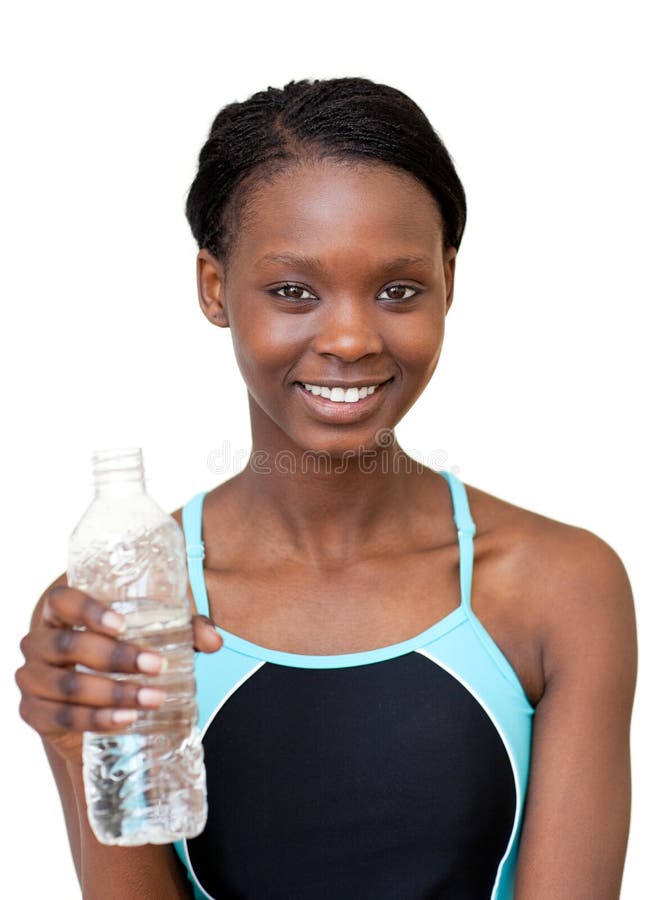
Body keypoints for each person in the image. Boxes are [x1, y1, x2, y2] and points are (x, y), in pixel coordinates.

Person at [16, 77, 637, 899]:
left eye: (397, 290)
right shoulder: (127, 609)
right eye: (293, 292)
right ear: (214, 287)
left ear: (447, 281)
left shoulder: (558, 587)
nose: (348, 337)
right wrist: (79, 748)